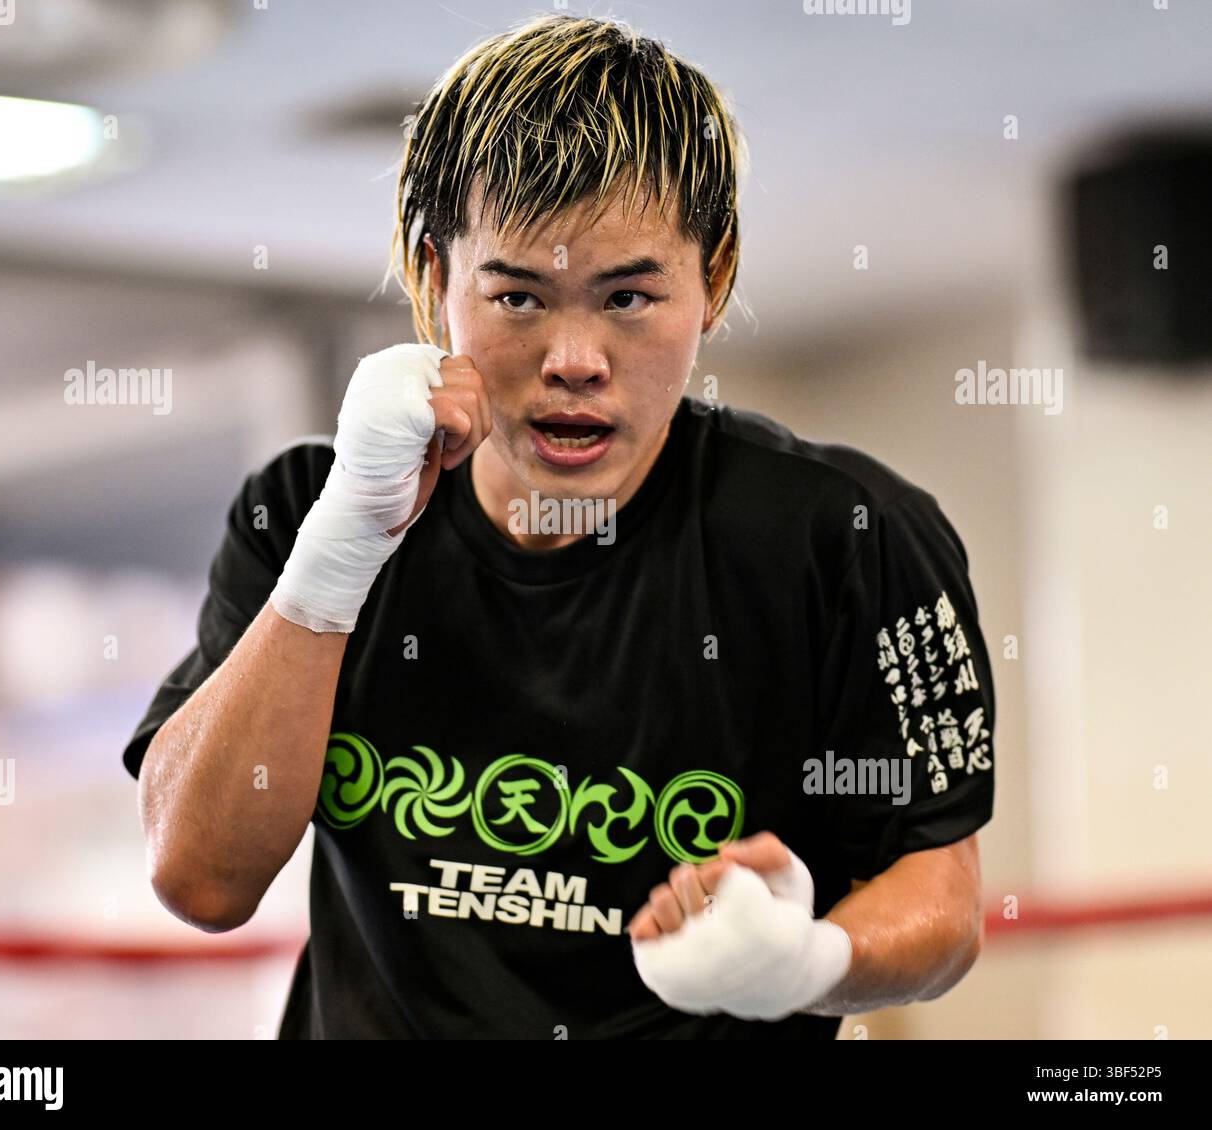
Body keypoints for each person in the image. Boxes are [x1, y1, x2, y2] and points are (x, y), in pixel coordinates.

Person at [122, 12, 994, 1039]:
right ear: (431, 275)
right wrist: (339, 551)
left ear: (713, 277)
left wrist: (810, 959)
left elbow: (939, 897)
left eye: (627, 296)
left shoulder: (842, 538)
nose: (575, 356)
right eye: (519, 297)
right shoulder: (304, 508)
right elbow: (200, 877)